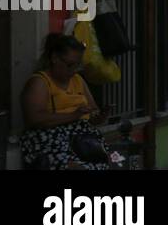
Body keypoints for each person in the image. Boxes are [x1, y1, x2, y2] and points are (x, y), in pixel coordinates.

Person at [19, 33, 112, 170]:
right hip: (50, 138)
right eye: (70, 65)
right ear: (55, 58)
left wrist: (100, 116)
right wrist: (74, 115)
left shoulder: (78, 80)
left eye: (77, 66)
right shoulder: (40, 82)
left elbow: (92, 113)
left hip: (81, 138)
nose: (74, 71)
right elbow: (34, 118)